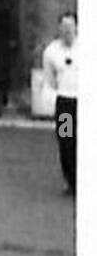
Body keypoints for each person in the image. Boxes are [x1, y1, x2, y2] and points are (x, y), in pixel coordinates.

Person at [42, 10, 78, 195]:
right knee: (66, 141)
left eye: (70, 27)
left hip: (84, 101)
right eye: (63, 27)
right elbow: (50, 79)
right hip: (65, 103)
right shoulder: (51, 51)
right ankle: (71, 180)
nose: (67, 31)